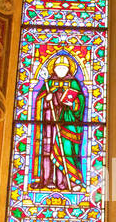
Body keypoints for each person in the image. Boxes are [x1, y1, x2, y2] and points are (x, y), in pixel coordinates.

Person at [31, 54, 86, 191]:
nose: (60, 71)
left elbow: (80, 101)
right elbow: (40, 101)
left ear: (68, 69)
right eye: (58, 68)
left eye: (64, 68)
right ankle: (47, 179)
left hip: (66, 123)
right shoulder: (48, 83)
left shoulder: (73, 83)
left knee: (66, 151)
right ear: (53, 69)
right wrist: (45, 98)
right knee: (47, 151)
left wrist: (72, 101)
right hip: (50, 122)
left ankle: (67, 182)